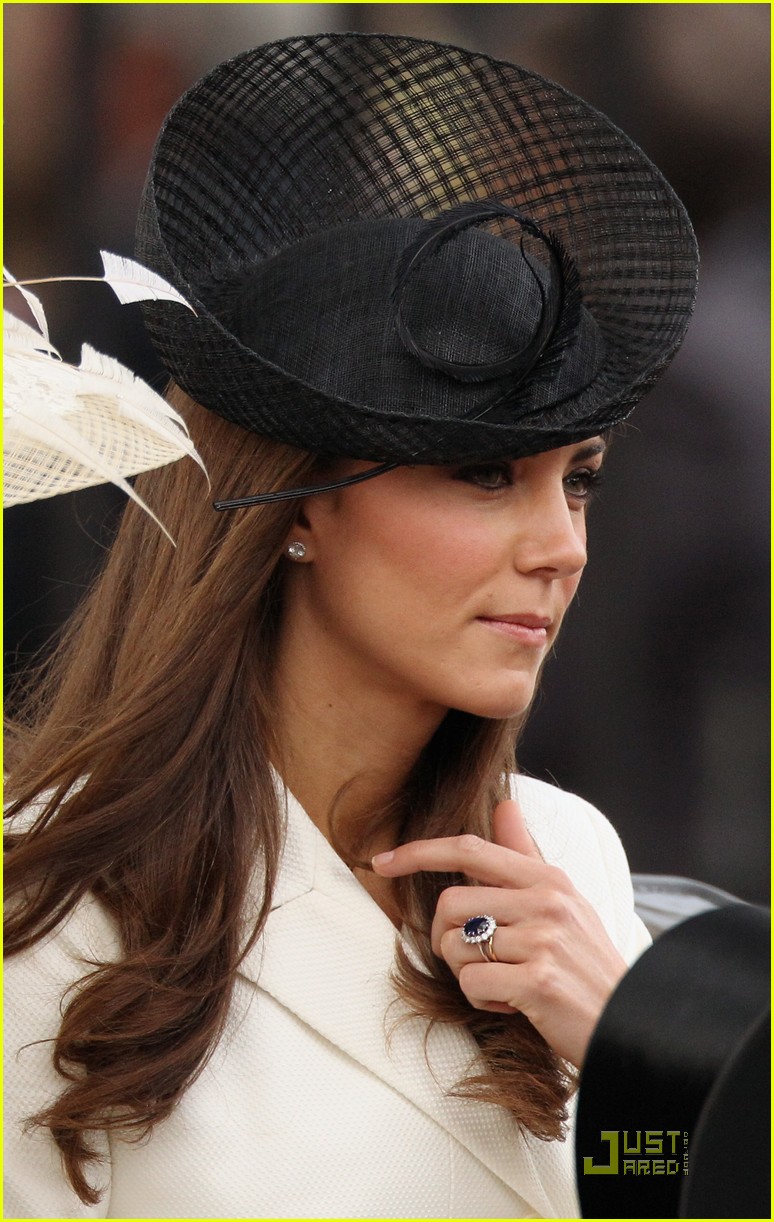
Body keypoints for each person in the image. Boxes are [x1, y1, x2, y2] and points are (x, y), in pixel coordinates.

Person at [4, 32, 698, 1219]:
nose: (562, 545)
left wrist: (638, 1049)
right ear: (298, 502)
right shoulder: (56, 907)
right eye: (488, 477)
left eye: (576, 478)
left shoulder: (567, 862)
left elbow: (666, 1192)